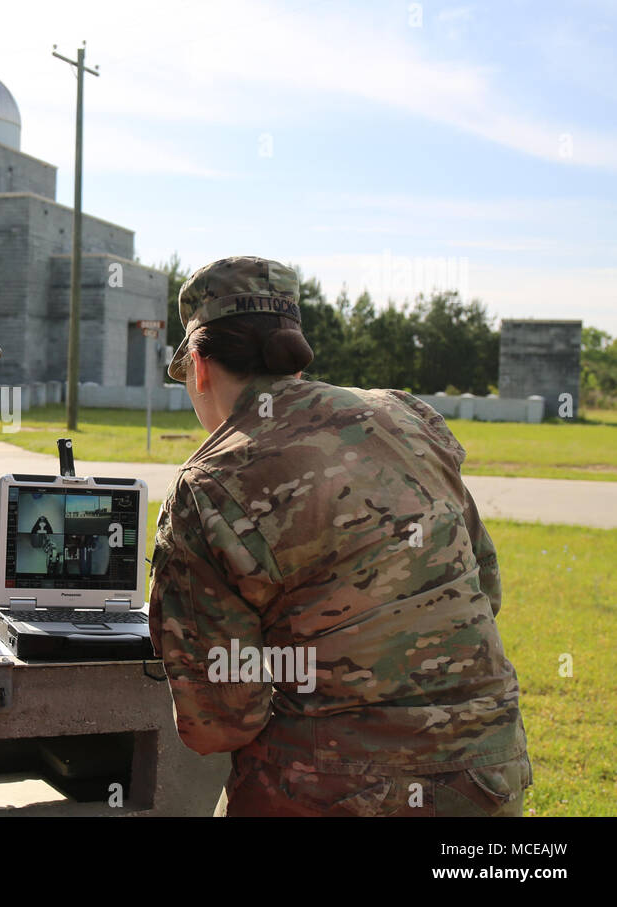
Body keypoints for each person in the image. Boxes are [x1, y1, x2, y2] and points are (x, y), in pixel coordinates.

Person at [149, 256, 531, 817]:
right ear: (293, 354)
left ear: (199, 365)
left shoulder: (211, 482)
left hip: (336, 789)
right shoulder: (407, 418)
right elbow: (485, 587)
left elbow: (220, 723)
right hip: (491, 775)